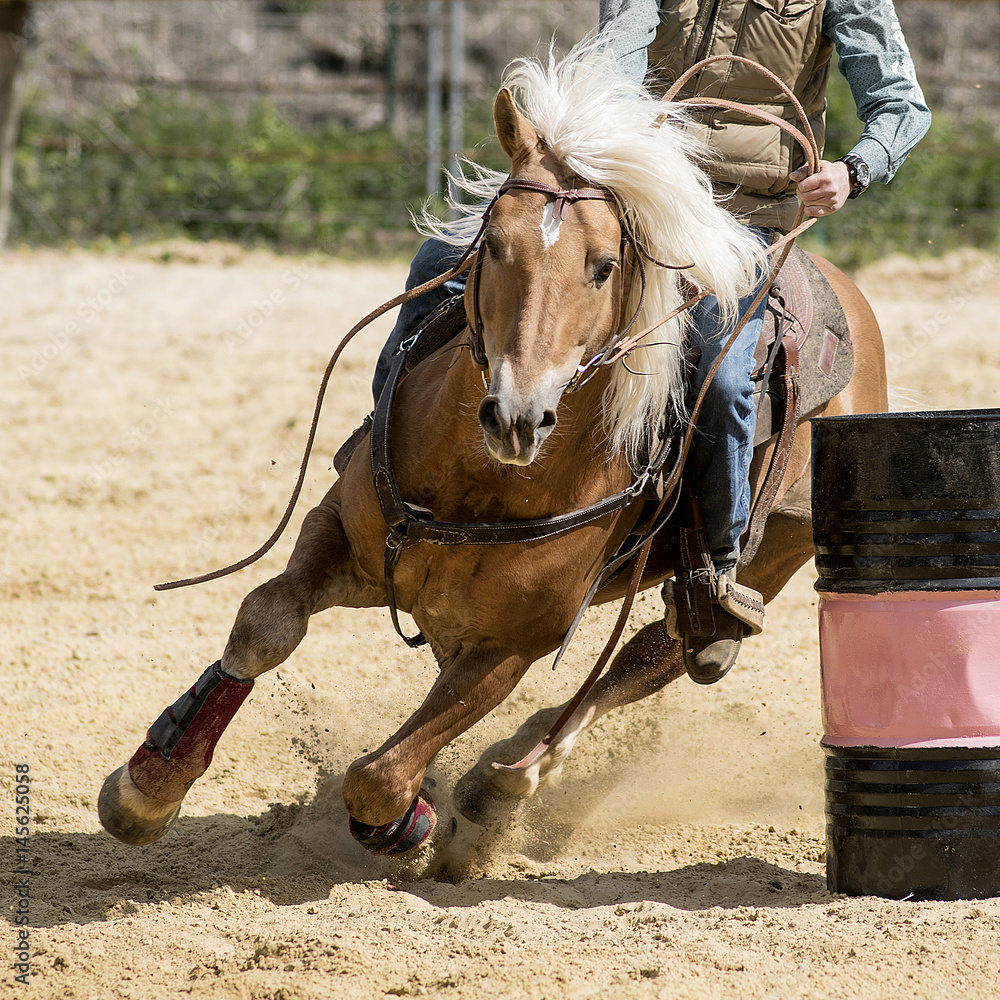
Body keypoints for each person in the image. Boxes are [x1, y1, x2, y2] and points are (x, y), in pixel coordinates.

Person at [373, 0, 931, 684]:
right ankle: (379, 464)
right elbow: (621, 44)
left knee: (723, 374)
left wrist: (855, 168)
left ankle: (711, 572)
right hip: (624, 188)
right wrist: (587, 128)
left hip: (740, 217)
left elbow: (901, 104)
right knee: (438, 263)